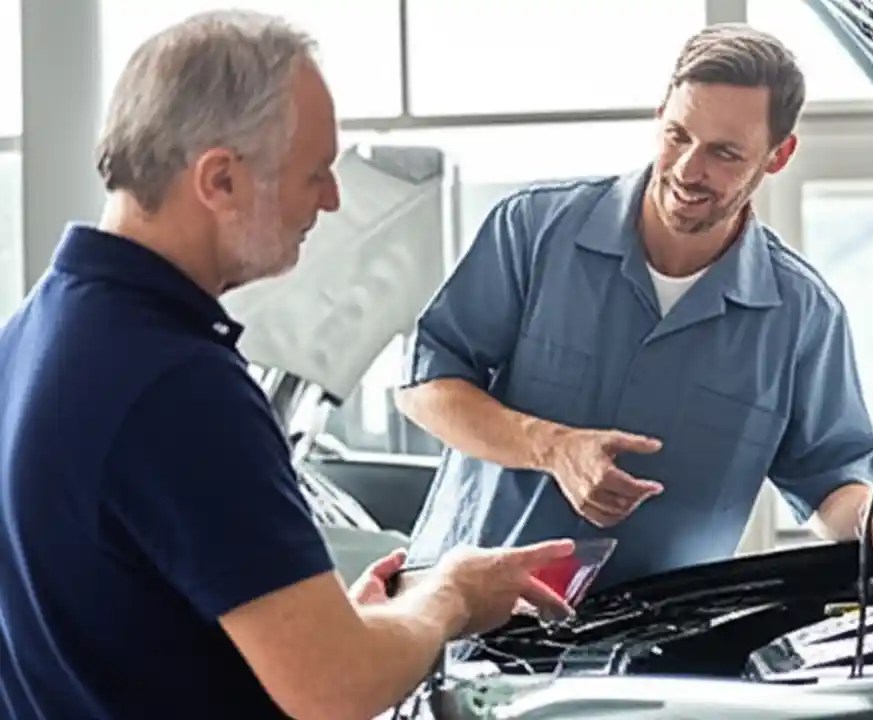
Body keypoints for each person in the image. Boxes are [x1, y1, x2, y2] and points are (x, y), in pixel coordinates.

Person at [0, 11, 574, 720]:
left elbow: (126, 622)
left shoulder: (36, 330)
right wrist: (450, 596)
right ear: (221, 179)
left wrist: (346, 626)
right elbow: (336, 691)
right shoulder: (179, 386)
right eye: (315, 173)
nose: (331, 199)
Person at [395, 23, 873, 592]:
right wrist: (552, 447)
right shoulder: (533, 231)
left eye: (724, 153)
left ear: (778, 155)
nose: (688, 170)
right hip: (466, 622)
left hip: (656, 652)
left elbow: (831, 483)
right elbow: (425, 389)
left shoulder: (804, 317)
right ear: (660, 114)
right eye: (678, 135)